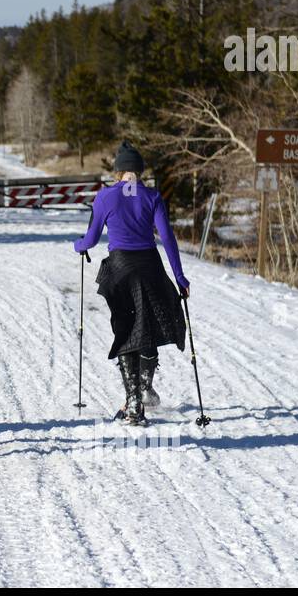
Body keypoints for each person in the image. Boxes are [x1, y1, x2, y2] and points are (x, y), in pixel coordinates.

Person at [74, 141, 188, 426]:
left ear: (118, 171)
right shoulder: (152, 196)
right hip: (150, 266)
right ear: (140, 171)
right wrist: (180, 277)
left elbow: (90, 239)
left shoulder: (105, 197)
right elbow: (168, 239)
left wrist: (79, 246)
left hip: (121, 268)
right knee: (147, 327)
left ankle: (134, 402)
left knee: (126, 329)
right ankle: (145, 388)